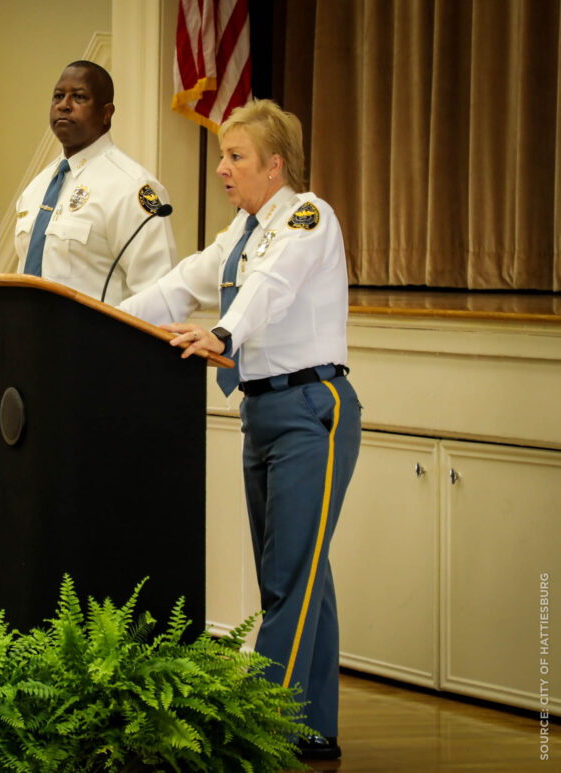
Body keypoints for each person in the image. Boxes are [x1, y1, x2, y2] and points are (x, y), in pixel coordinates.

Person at [119, 99, 361, 761]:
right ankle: (312, 723)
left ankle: (258, 730)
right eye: (223, 156)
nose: (222, 168)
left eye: (236, 157)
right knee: (300, 570)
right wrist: (102, 318)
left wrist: (223, 331)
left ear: (274, 164)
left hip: (313, 409)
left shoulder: (307, 217)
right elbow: (178, 286)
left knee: (289, 576)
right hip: (261, 411)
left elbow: (271, 290)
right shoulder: (243, 232)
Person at [14, 60, 177, 305]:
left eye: (78, 97)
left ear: (106, 113)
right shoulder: (37, 187)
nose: (64, 106)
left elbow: (157, 293)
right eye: (58, 96)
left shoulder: (131, 187)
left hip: (96, 341)